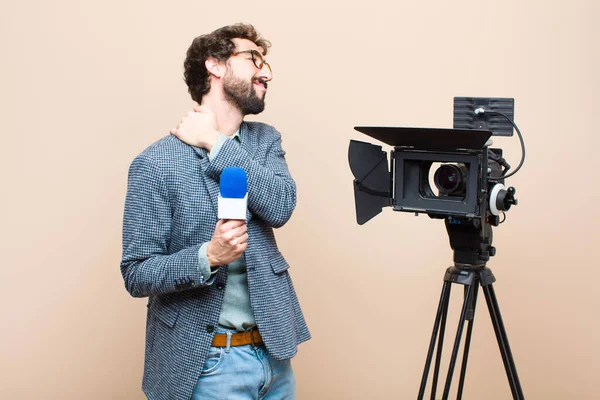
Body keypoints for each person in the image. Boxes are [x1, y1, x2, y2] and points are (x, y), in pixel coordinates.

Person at [120, 23, 310, 400]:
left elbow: (280, 206)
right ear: (215, 66)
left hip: (274, 355)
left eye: (267, 63)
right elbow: (136, 272)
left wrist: (215, 143)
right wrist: (207, 257)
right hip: (207, 363)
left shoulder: (265, 141)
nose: (266, 72)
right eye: (253, 59)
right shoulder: (155, 164)